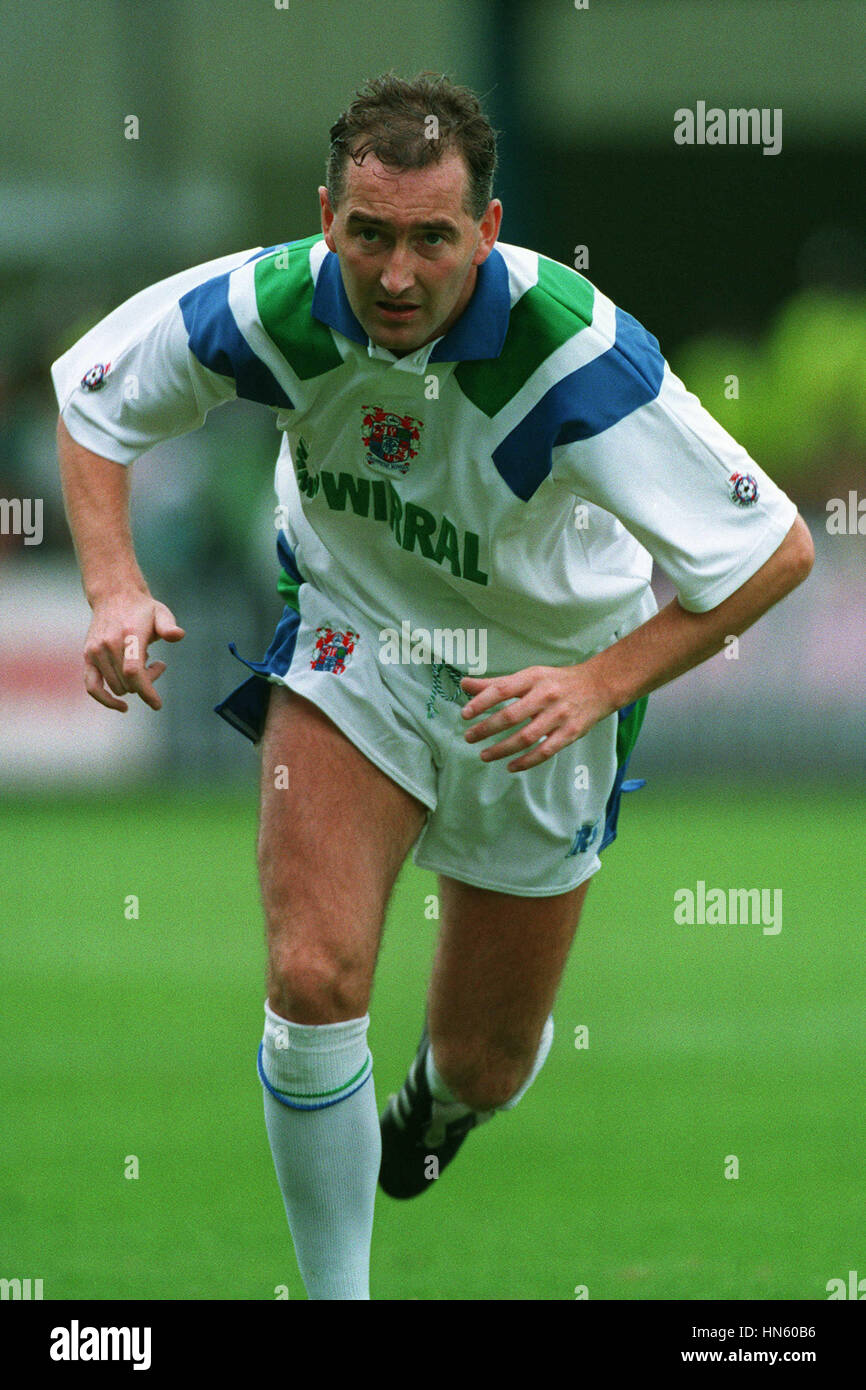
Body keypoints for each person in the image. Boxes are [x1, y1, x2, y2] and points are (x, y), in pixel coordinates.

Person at [52, 72, 814, 1301]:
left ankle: (443, 1103)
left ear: (488, 232)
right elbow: (94, 397)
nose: (395, 273)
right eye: (368, 234)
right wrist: (111, 588)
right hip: (356, 641)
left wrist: (593, 685)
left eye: (430, 239)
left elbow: (772, 549)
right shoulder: (272, 304)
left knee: (486, 1055)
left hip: (539, 692)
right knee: (311, 978)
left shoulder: (572, 351)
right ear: (326, 218)